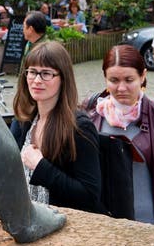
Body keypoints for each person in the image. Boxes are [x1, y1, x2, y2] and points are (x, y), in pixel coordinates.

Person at [86, 45, 154, 226]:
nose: (121, 88)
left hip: (151, 228)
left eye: (129, 79)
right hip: (103, 229)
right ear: (105, 79)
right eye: (114, 80)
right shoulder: (91, 114)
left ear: (143, 76)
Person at [12, 41, 103, 212]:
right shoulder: (24, 121)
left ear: (63, 78)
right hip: (28, 221)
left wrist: (41, 167)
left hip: (62, 226)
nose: (36, 80)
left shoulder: (79, 127)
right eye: (32, 72)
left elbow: (90, 196)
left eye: (46, 73)